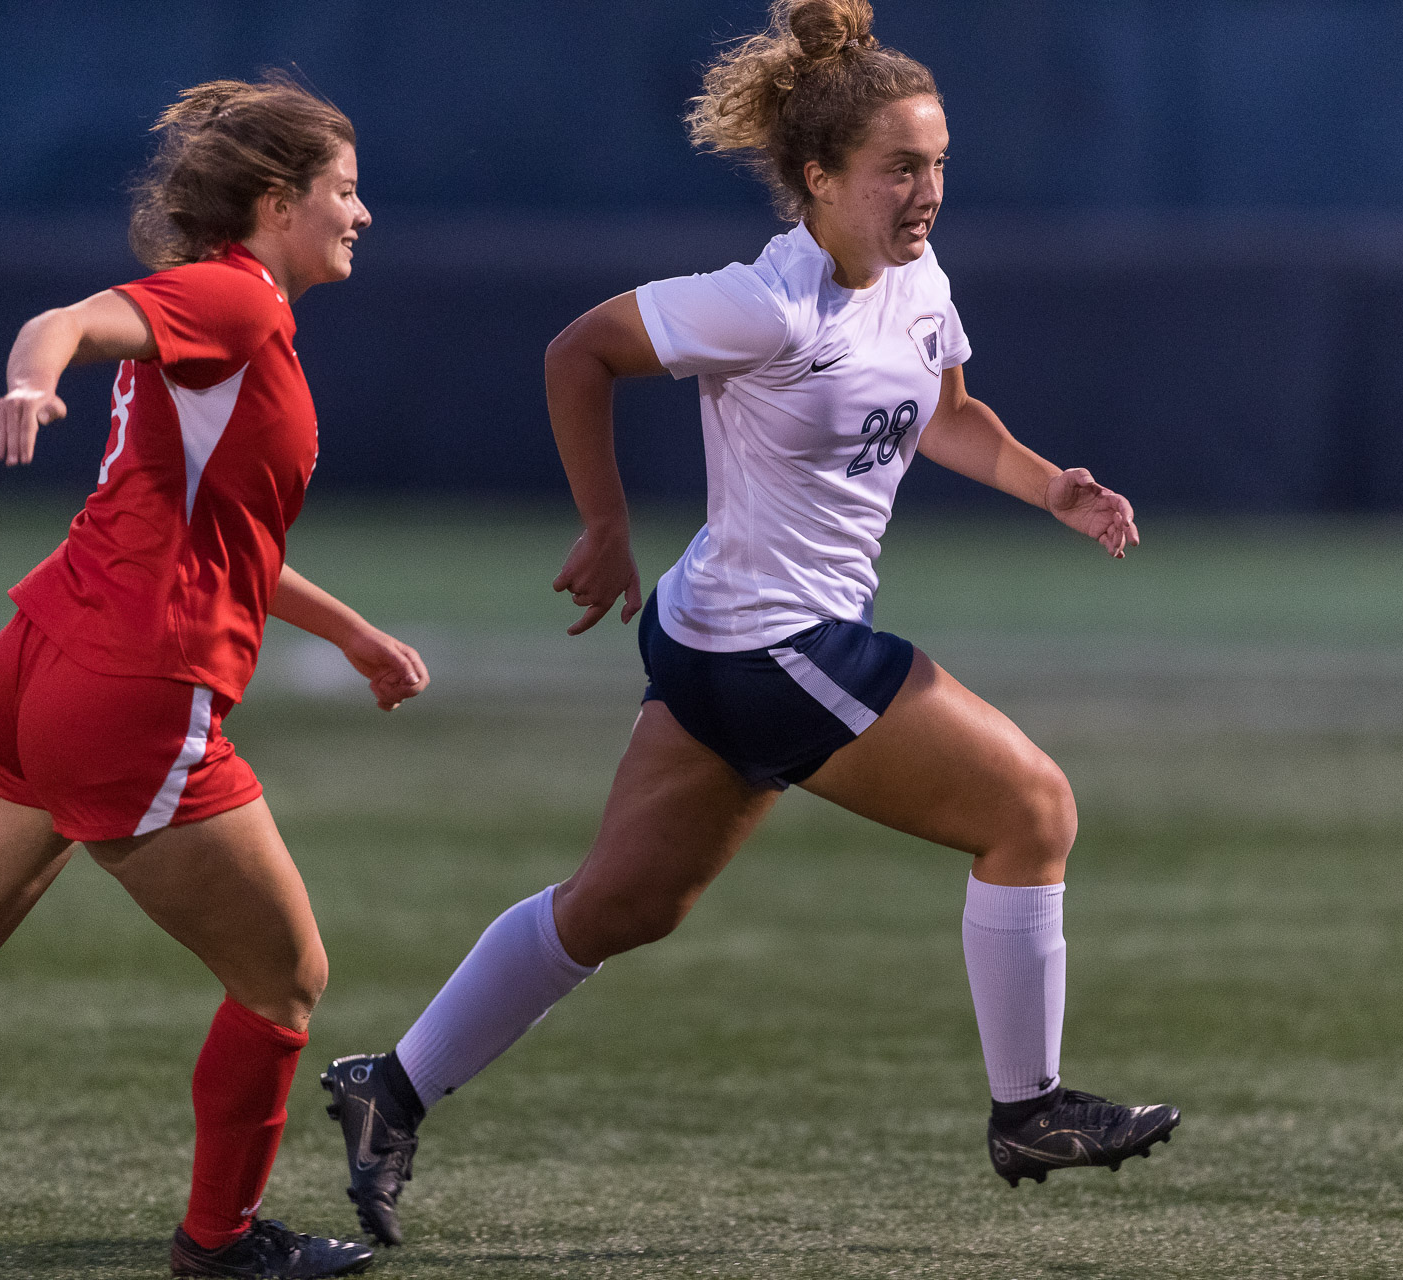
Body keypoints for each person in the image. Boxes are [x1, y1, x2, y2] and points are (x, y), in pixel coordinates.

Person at [320, 0, 1177, 1247]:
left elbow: (946, 411)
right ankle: (1028, 1106)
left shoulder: (915, 275)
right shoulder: (763, 305)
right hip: (771, 644)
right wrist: (604, 521)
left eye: (938, 161)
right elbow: (578, 351)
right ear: (820, 180)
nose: (928, 187)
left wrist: (1053, 486)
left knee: (619, 906)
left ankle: (387, 1086)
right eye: (899, 167)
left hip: (727, 637)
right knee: (1032, 809)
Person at [0, 75, 426, 1279]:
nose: (363, 214)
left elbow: (226, 532)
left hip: (39, 658)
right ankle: (219, 1244)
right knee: (286, 978)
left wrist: (353, 632)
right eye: (345, 191)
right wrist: (31, 375)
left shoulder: (245, 318)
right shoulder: (236, 298)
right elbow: (70, 318)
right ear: (275, 203)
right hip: (130, 687)